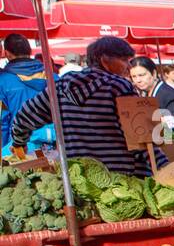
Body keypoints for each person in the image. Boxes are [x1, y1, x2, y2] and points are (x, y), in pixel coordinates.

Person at [11, 36, 148, 174]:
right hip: (119, 178)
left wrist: (19, 142)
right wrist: (160, 168)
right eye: (124, 60)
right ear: (105, 60)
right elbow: (142, 138)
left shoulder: (60, 87)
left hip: (77, 178)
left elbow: (24, 117)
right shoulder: (120, 87)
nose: (129, 66)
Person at [1, 34, 51, 154]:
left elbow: (2, 122)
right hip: (53, 145)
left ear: (7, 53)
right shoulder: (53, 77)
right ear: (30, 51)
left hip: (18, 149)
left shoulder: (2, 81)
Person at [128, 56, 174, 132]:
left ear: (154, 73)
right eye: (134, 76)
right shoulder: (145, 93)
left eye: (142, 75)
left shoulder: (169, 95)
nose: (138, 80)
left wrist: (160, 121)